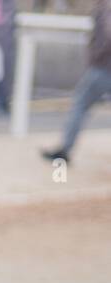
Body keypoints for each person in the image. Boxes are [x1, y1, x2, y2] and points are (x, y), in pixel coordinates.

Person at [44, 0, 111, 164]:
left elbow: (107, 34)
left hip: (103, 68)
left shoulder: (106, 6)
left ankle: (65, 149)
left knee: (80, 104)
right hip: (102, 67)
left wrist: (97, 56)